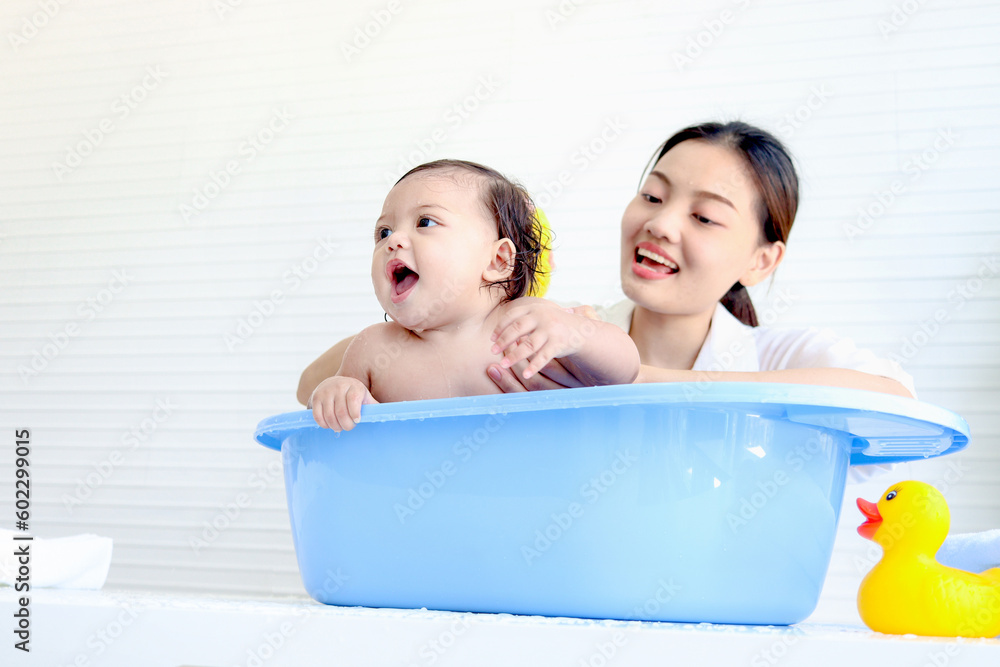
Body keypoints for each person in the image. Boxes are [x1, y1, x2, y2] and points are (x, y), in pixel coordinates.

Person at [306, 159, 639, 432]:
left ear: (498, 261)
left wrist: (579, 336)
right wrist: (335, 394)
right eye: (384, 232)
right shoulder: (373, 349)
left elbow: (625, 372)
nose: (393, 241)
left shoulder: (526, 323)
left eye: (425, 221)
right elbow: (334, 424)